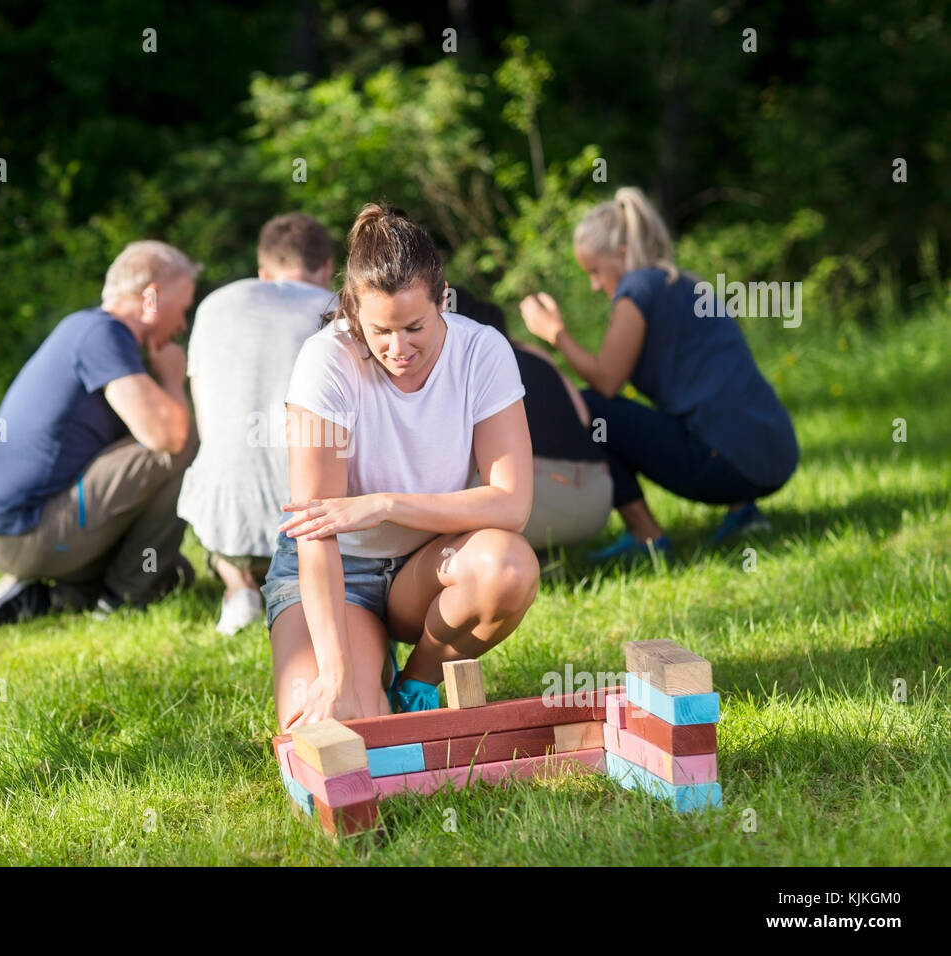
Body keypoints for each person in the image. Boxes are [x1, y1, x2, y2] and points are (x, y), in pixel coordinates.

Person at [264, 204, 538, 730]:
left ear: (443, 298)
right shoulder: (325, 361)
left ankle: (418, 681)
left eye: (414, 327)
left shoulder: (482, 351)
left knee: (508, 566)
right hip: (337, 570)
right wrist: (338, 673)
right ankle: (367, 676)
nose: (397, 348)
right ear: (352, 312)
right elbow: (314, 530)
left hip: (425, 565)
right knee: (327, 725)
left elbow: (512, 504)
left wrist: (384, 504)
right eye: (379, 331)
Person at [518, 187, 798, 561]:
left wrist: (554, 333)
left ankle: (646, 536)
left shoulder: (638, 288)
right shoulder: (686, 282)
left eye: (596, 272)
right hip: (777, 452)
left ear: (621, 255)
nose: (595, 285)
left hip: (728, 464)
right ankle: (743, 512)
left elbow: (607, 381)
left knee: (588, 409)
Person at [0, 240, 202, 634]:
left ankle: (43, 597)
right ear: (151, 298)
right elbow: (166, 437)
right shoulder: (102, 335)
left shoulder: (85, 330)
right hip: (33, 533)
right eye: (184, 307)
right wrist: (173, 378)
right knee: (186, 439)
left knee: (174, 573)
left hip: (16, 535)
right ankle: (120, 599)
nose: (184, 324)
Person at [177, 214, 337, 635]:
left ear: (263, 273)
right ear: (326, 267)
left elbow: (206, 422)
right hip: (312, 518)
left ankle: (238, 585)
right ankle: (290, 584)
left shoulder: (215, 305)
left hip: (226, 515)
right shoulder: (339, 309)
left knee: (211, 469)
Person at [451, 286, 613, 551]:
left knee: (446, 488)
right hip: (599, 494)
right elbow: (584, 416)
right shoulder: (534, 357)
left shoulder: (472, 368)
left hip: (544, 500)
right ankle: (544, 562)